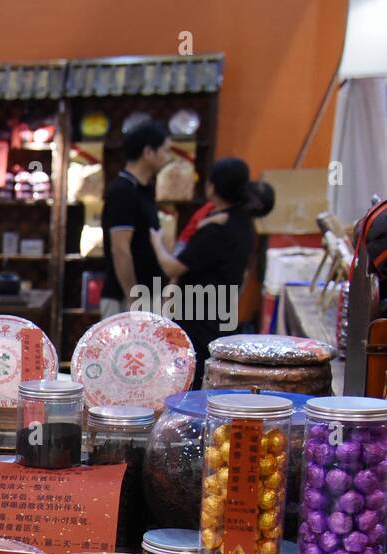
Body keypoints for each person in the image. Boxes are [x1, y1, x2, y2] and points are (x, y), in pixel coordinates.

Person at [149, 157, 275, 387]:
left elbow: (172, 267)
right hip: (219, 314)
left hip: (199, 318)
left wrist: (156, 241)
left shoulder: (216, 229)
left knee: (192, 381)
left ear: (212, 187)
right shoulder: (242, 223)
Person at [100, 121, 174, 318]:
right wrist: (134, 298)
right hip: (126, 299)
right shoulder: (122, 191)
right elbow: (120, 248)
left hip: (150, 294)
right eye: (165, 150)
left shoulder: (144, 190)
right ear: (148, 152)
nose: (168, 157)